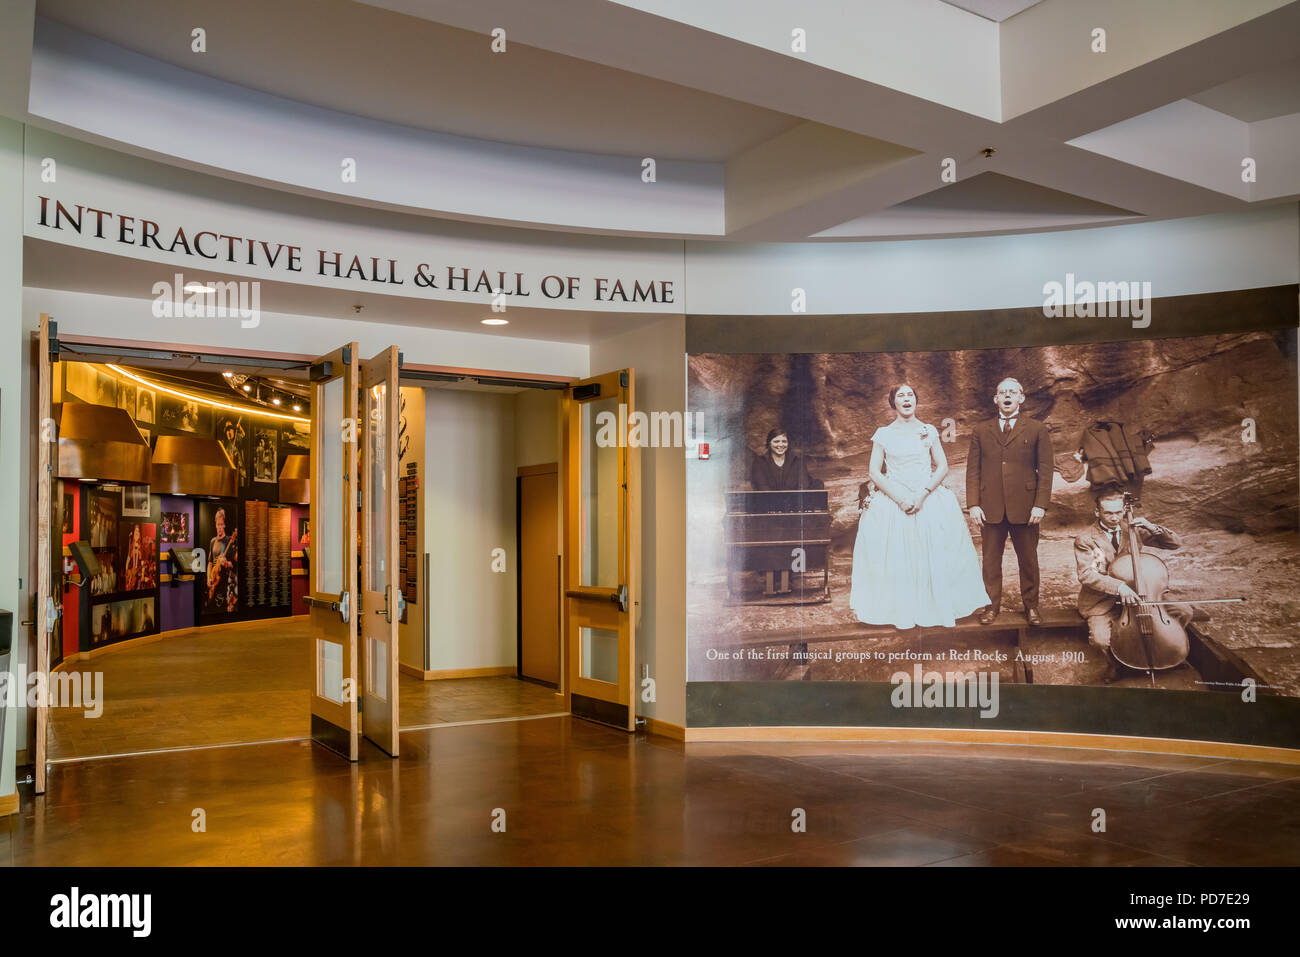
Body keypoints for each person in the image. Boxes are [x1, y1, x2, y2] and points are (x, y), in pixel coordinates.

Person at [849, 384, 989, 628]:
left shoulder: (929, 430)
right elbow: (874, 470)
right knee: (898, 556)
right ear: (894, 403)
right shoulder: (883, 433)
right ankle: (902, 611)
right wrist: (900, 498)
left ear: (916, 401)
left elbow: (942, 466)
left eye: (910, 395)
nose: (906, 399)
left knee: (934, 552)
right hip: (895, 499)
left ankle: (935, 609)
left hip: (927, 497)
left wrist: (923, 494)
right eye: (901, 396)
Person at [1074, 488, 1192, 680]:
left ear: (1123, 510)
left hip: (1142, 594)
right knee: (1100, 640)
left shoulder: (1133, 529)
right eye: (1108, 513)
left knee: (1185, 611)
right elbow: (1087, 574)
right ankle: (1118, 664)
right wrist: (1119, 587)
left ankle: (1167, 650)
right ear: (1097, 512)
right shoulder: (1086, 538)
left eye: (1118, 512)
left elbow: (1175, 544)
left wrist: (1152, 527)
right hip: (1104, 601)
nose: (1114, 517)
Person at [966, 377, 1053, 626]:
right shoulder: (981, 430)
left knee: (1028, 560)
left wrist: (1040, 505)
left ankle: (1032, 607)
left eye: (1012, 392)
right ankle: (991, 607)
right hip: (990, 508)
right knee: (990, 561)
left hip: (1026, 508)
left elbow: (1046, 470)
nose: (1007, 396)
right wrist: (973, 504)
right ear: (995, 399)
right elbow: (973, 470)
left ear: (1021, 398)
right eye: (1002, 392)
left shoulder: (1037, 429)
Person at [749, 427, 822, 595]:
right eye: (776, 441)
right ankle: (770, 579)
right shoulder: (760, 462)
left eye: (784, 441)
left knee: (791, 534)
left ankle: (786, 578)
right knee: (770, 537)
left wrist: (789, 509)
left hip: (792, 511)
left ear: (788, 444)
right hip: (768, 512)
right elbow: (762, 487)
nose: (780, 445)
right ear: (769, 443)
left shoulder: (798, 460)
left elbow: (802, 485)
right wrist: (775, 509)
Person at [207, 507, 239, 613]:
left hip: (224, 584)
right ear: (215, 525)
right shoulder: (212, 541)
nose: (220, 527)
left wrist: (226, 563)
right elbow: (210, 563)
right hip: (213, 580)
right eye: (218, 525)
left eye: (221, 524)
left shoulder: (229, 541)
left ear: (224, 525)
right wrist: (208, 578)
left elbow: (233, 564)